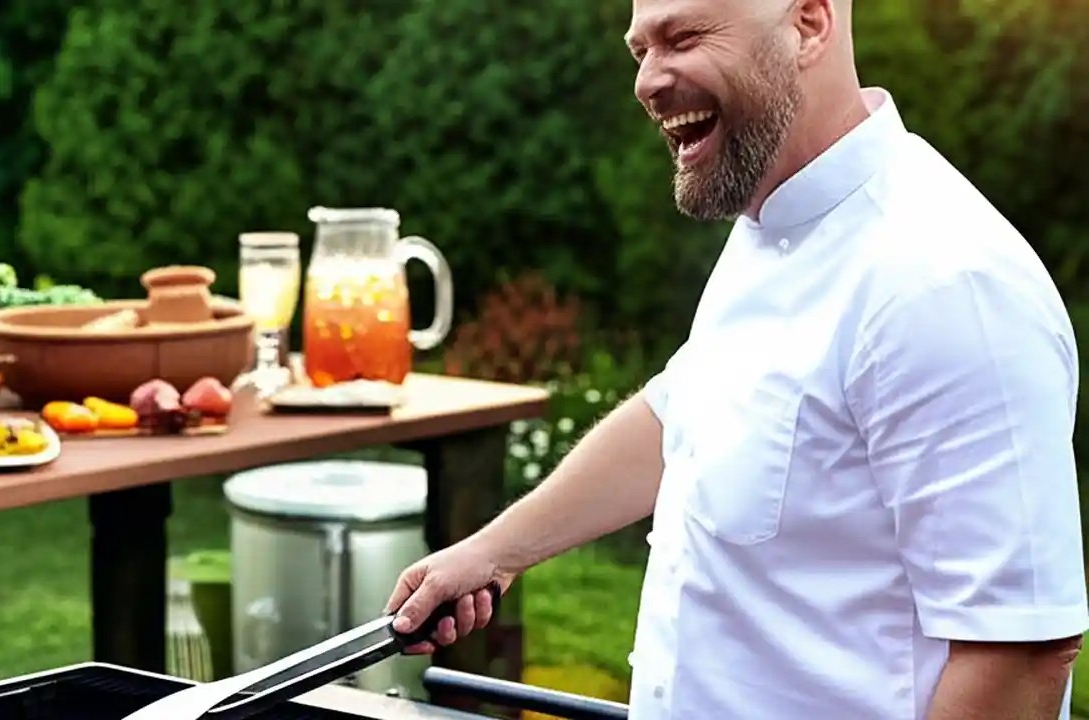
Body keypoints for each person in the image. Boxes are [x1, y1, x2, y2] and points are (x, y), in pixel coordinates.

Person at [385, 0, 1089, 717]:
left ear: (809, 24)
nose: (647, 82)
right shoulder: (773, 218)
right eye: (640, 51)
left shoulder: (943, 284)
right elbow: (683, 415)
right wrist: (495, 553)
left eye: (683, 37)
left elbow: (1020, 655)